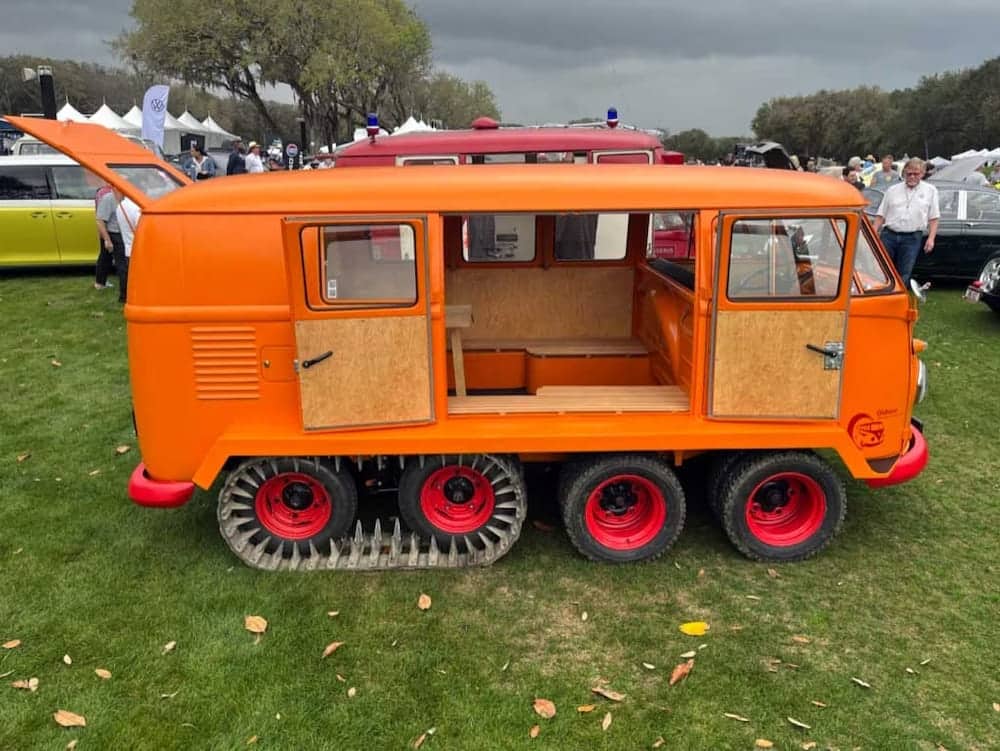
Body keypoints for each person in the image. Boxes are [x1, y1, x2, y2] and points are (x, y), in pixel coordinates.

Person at [872, 157, 940, 286]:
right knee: (881, 268)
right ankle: (880, 296)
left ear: (922, 173)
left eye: (916, 174)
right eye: (909, 174)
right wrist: (874, 233)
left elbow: (934, 217)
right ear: (904, 173)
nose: (912, 177)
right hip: (889, 235)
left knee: (904, 272)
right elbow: (881, 214)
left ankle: (898, 300)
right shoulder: (892, 190)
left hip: (912, 237)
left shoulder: (931, 191)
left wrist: (931, 238)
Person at [95, 188, 129, 303]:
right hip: (114, 234)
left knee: (106, 258)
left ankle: (100, 283)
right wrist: (107, 239)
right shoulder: (109, 199)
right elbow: (100, 220)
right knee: (122, 264)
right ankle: (124, 296)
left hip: (123, 233)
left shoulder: (127, 198)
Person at [93, 181, 115, 290]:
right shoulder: (106, 193)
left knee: (105, 255)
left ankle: (101, 281)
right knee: (105, 256)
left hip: (104, 227)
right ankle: (100, 282)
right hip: (107, 228)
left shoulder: (101, 191)